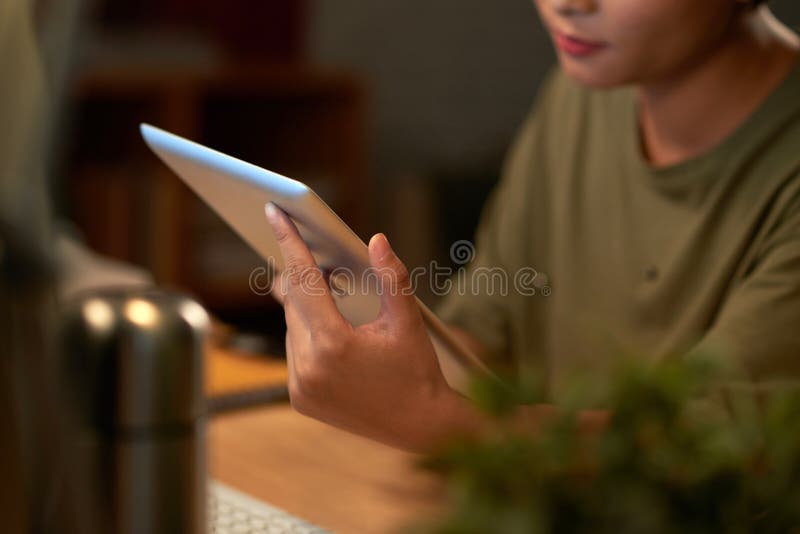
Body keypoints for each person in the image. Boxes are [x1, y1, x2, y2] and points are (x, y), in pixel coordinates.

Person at [265, 0, 800, 451]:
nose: (569, 4)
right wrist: (375, 343)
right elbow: (489, 324)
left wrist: (431, 418)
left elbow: (719, 450)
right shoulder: (588, 88)